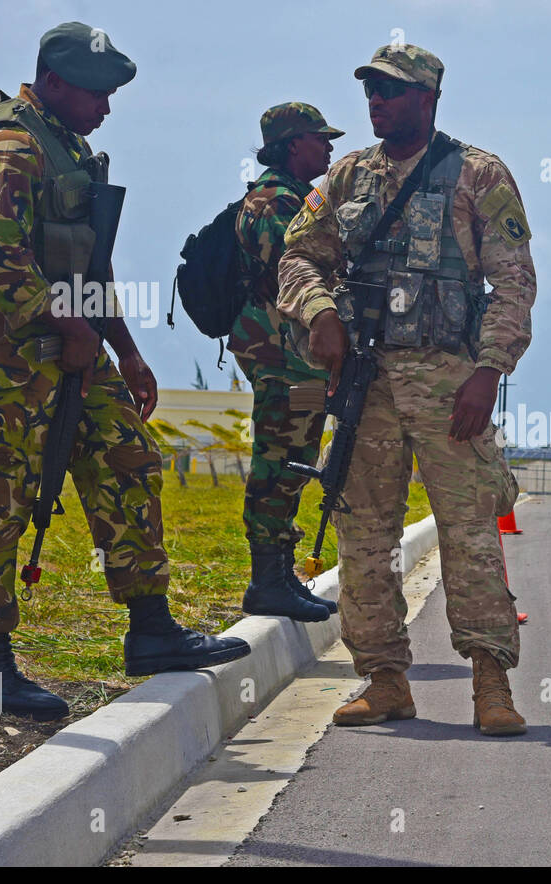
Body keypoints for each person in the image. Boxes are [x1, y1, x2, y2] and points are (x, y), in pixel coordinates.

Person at [0, 22, 249, 721]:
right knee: (4, 491)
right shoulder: (7, 148)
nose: (107, 108)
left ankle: (151, 632)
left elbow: (89, 259)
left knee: (129, 458)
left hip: (71, 337)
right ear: (53, 82)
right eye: (97, 93)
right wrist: (72, 330)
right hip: (5, 342)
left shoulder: (68, 144)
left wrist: (126, 350)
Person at [278, 43, 534, 735]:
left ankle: (490, 683)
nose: (377, 101)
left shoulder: (478, 174)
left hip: (453, 380)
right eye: (371, 90)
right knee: (363, 532)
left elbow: (513, 281)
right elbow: (298, 254)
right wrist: (319, 311)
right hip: (367, 382)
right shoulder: (348, 176)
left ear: (429, 98)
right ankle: (384, 678)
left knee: (470, 529)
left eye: (392, 90)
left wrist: (489, 370)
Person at [231, 103, 344, 624]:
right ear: (293, 143)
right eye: (320, 139)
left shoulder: (300, 198)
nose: (329, 147)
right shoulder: (275, 201)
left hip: (295, 355)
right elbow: (296, 272)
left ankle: (278, 575)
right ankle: (267, 580)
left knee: (294, 458)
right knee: (279, 460)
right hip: (280, 354)